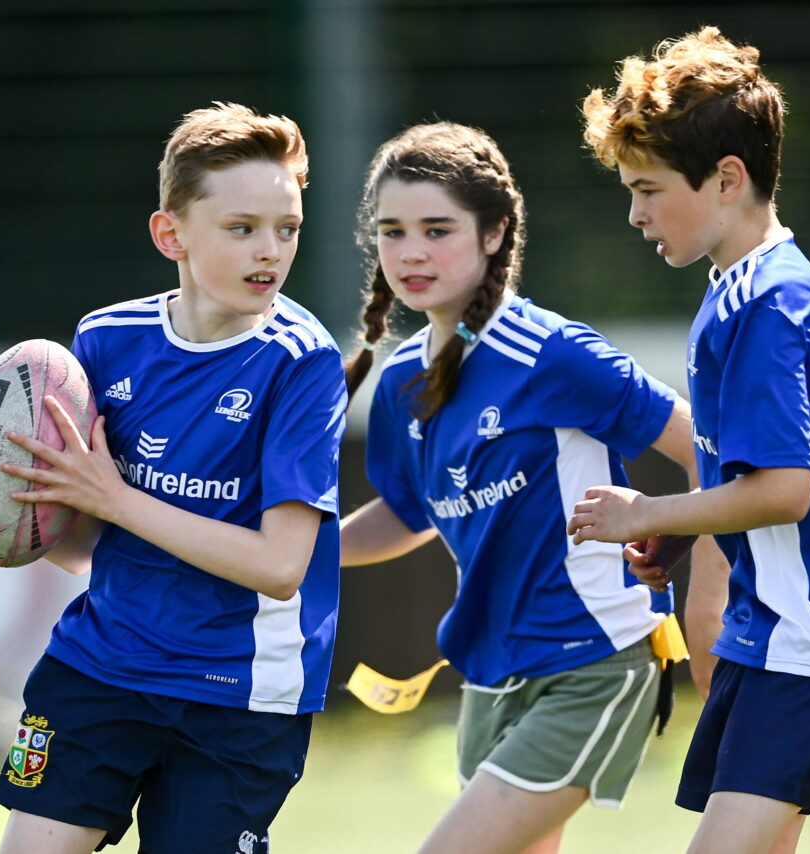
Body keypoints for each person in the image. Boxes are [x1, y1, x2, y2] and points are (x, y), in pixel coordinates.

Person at [0, 103, 347, 854]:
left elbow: (280, 568)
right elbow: (86, 543)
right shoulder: (105, 341)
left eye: (287, 228)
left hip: (240, 698)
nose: (271, 251)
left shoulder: (302, 364)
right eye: (242, 227)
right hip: (100, 668)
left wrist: (114, 496)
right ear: (170, 234)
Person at [339, 120, 730, 854]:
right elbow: (406, 512)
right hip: (491, 678)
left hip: (595, 662)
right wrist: (299, 551)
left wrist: (704, 592)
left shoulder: (552, 352)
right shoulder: (397, 384)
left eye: (436, 229)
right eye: (392, 232)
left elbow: (705, 451)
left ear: (494, 235)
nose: (411, 252)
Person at [571, 26, 810, 854]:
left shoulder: (767, 304)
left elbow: (786, 489)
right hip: (785, 635)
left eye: (648, 187)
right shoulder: (745, 284)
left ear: (727, 179)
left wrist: (645, 508)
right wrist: (679, 526)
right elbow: (752, 474)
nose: (634, 211)